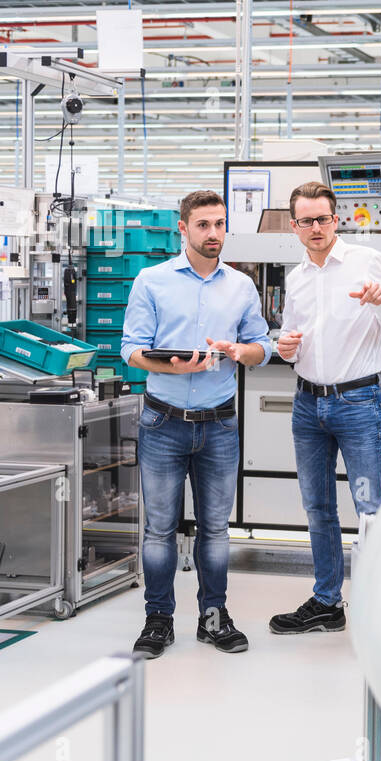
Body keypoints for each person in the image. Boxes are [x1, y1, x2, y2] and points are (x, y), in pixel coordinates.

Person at [121, 190, 273, 658]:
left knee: (216, 529)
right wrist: (172, 367)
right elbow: (131, 349)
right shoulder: (152, 281)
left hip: (219, 426)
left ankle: (213, 617)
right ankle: (158, 619)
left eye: (220, 224)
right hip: (162, 421)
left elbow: (261, 347)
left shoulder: (241, 286)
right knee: (160, 530)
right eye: (204, 225)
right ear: (183, 228)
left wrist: (238, 352)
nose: (214, 234)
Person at [269, 181, 381, 634]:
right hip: (308, 405)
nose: (316, 227)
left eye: (323, 218)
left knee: (371, 507)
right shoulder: (295, 278)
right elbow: (291, 341)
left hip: (358, 403)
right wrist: (284, 347)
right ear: (294, 226)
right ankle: (328, 601)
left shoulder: (366, 261)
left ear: (336, 219)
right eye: (306, 220)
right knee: (317, 508)